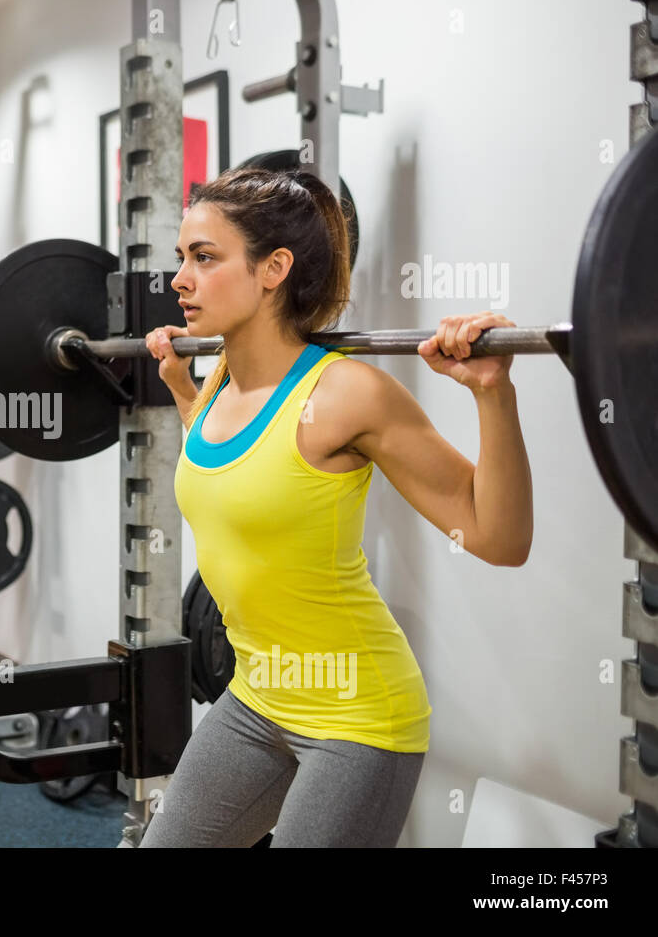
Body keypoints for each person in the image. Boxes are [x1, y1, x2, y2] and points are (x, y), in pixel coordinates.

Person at [137, 166, 533, 847]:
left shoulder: (349, 394)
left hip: (358, 717)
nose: (180, 279)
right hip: (255, 699)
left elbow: (498, 537)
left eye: (204, 258)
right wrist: (181, 388)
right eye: (182, 259)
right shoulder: (220, 382)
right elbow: (242, 480)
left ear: (274, 270)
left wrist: (491, 393)